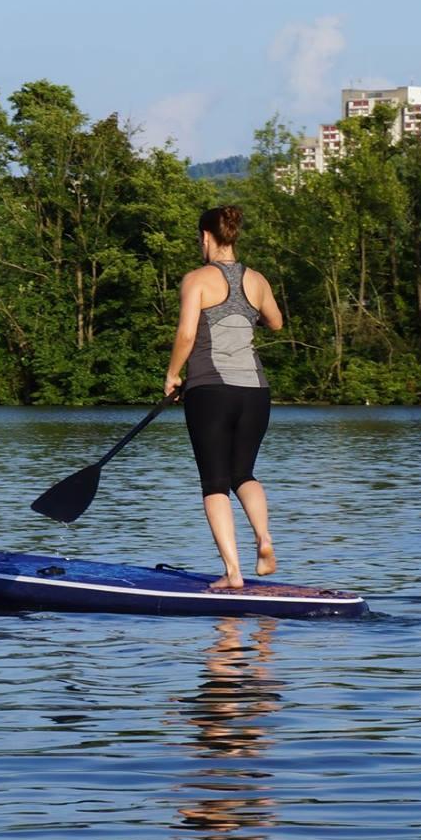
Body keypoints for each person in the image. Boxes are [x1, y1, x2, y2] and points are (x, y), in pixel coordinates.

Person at [165, 205, 284, 589]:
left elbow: (186, 335)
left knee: (214, 483)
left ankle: (233, 573)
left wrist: (172, 375)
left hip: (210, 390)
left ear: (205, 237)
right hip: (255, 393)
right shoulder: (258, 280)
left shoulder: (197, 279)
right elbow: (276, 322)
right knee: (242, 473)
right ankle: (264, 540)